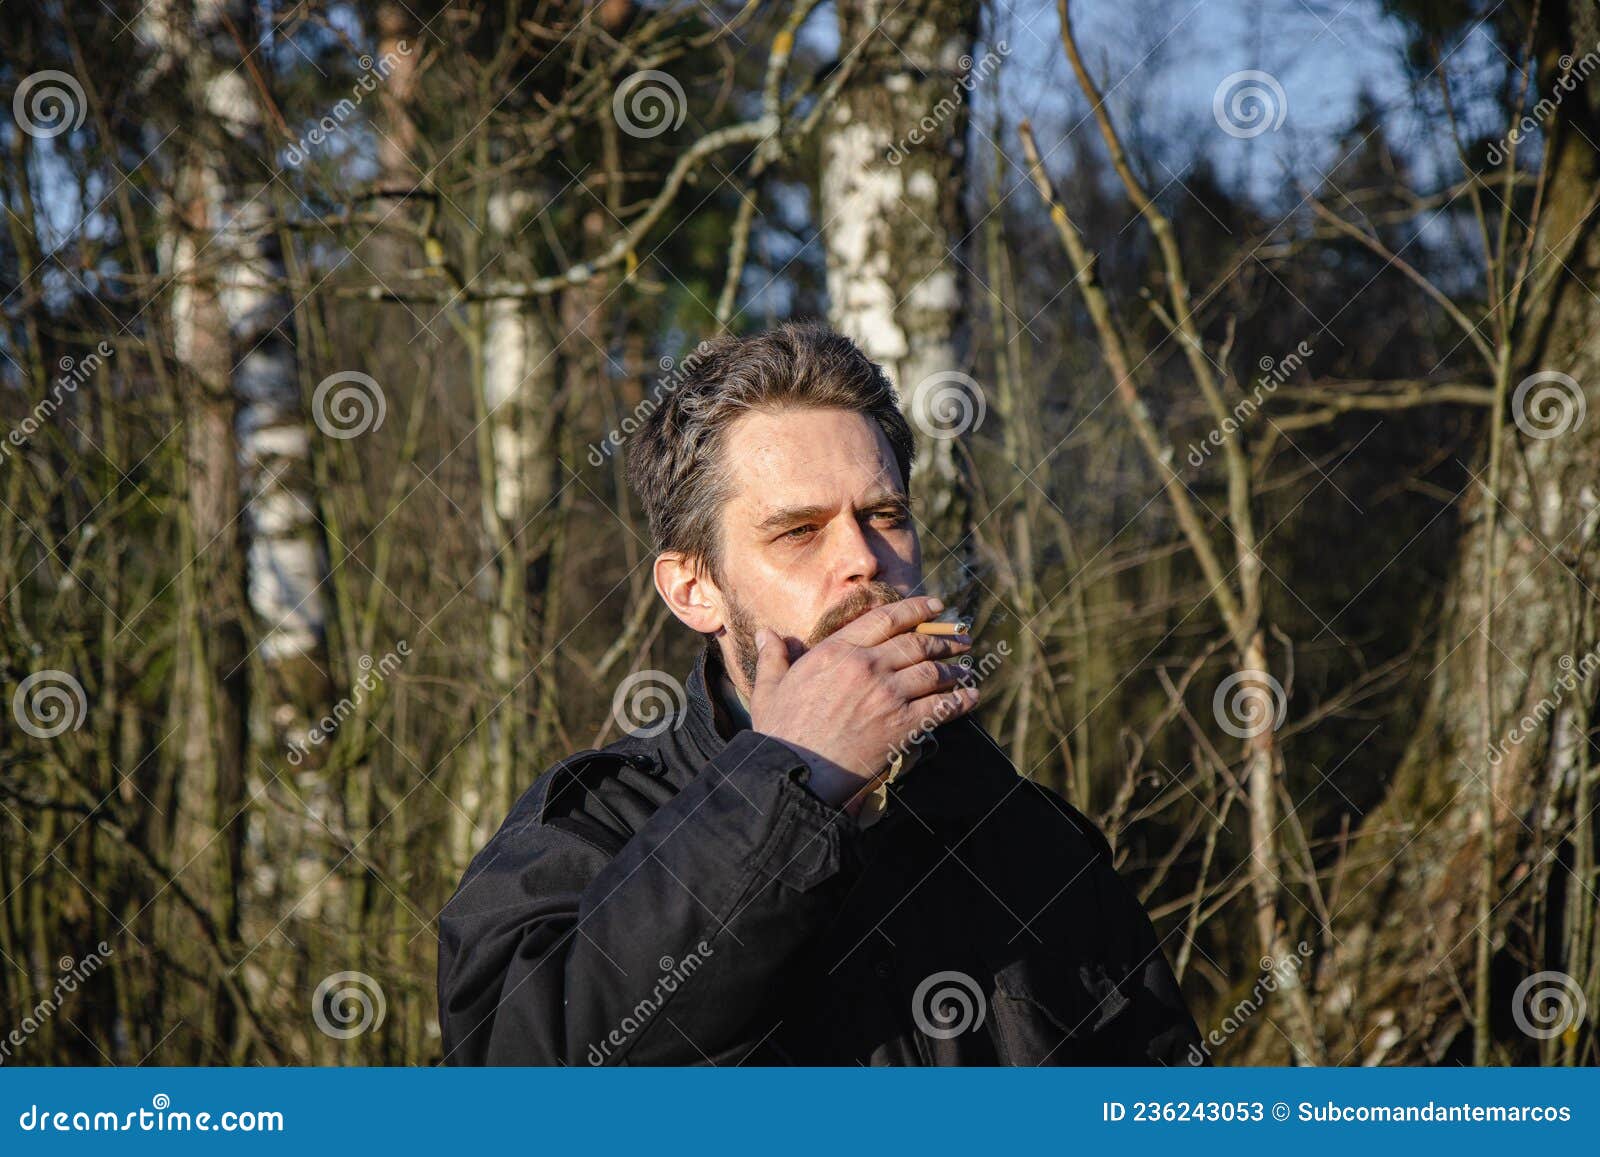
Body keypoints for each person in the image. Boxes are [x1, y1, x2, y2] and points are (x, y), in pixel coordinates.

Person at [437, 321, 1203, 1065]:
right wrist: (788, 783)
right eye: (799, 531)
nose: (863, 558)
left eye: (884, 516)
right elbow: (522, 1076)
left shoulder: (1026, 838)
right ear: (693, 588)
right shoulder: (591, 833)